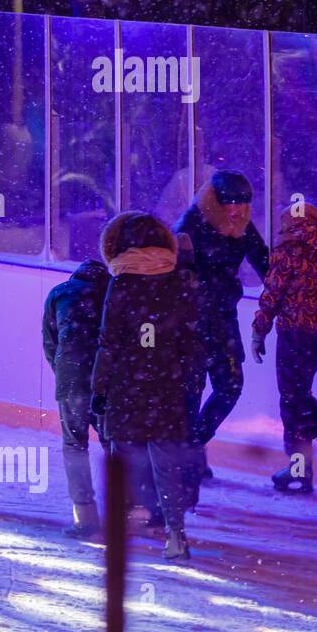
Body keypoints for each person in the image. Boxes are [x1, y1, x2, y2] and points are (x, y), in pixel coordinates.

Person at [91, 212, 204, 561]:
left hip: (128, 385)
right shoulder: (181, 282)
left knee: (120, 458)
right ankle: (175, 533)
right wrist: (191, 380)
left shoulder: (121, 284)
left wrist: (99, 388)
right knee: (166, 465)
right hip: (166, 385)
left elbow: (108, 343)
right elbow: (191, 340)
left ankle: (116, 526)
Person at [174, 170, 269, 474]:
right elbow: (175, 276)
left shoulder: (241, 227)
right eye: (231, 203)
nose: (238, 210)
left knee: (230, 385)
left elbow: (265, 263)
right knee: (192, 390)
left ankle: (193, 446)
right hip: (191, 321)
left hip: (223, 319)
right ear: (215, 202)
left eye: (244, 204)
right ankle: (186, 456)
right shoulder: (189, 228)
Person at [252, 203, 317, 493]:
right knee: (297, 396)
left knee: (292, 399)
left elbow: (272, 294)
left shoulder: (288, 252)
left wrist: (259, 330)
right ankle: (304, 465)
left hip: (294, 331)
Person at [42, 259, 111, 537]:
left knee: (74, 445)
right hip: (105, 376)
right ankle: (120, 511)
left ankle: (84, 516)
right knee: (112, 443)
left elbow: (50, 342)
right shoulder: (110, 292)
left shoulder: (59, 293)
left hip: (70, 377)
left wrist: (62, 371)